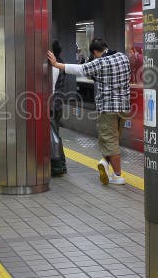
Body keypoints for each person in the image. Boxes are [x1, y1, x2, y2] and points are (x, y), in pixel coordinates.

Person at [47, 38, 130, 185]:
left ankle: (117, 176)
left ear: (95, 52)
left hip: (108, 107)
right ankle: (105, 162)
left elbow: (79, 69)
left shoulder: (100, 62)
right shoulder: (123, 57)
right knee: (114, 138)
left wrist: (55, 64)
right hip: (124, 106)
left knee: (109, 140)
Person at [50, 40, 67, 177]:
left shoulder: (53, 66)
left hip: (52, 106)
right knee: (55, 134)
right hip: (57, 105)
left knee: (54, 135)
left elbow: (51, 88)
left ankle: (58, 166)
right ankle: (61, 165)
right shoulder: (60, 63)